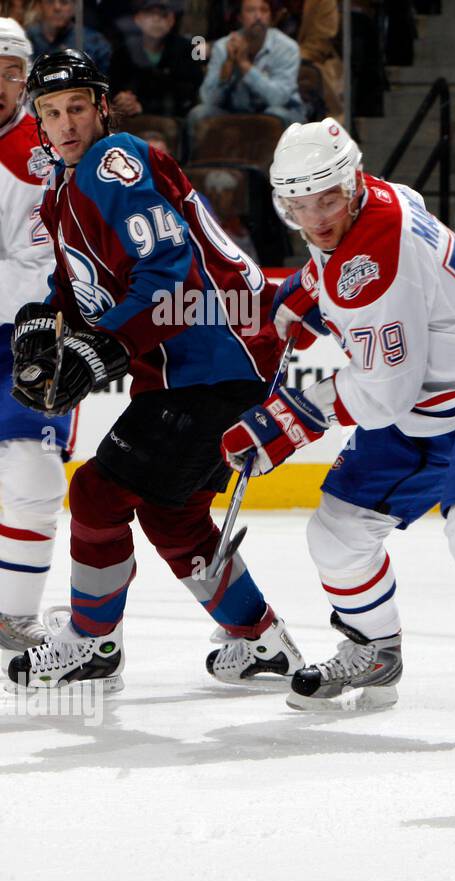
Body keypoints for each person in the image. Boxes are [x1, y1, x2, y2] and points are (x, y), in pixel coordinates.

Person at [220, 118, 455, 711]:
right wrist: (308, 288)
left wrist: (290, 419)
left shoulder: (368, 261)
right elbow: (366, 273)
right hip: (429, 401)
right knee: (338, 529)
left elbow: (382, 394)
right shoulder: (378, 196)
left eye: (327, 200)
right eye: (300, 206)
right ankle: (374, 650)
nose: (317, 218)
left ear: (350, 185)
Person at [6, 49, 300, 693]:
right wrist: (45, 316)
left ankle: (91, 642)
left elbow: (168, 274)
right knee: (175, 517)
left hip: (217, 358)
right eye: (51, 113)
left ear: (102, 107)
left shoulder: (117, 164)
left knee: (97, 494)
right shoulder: (64, 190)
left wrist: (100, 346)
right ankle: (263, 642)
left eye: (77, 107)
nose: (65, 124)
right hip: (205, 365)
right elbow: (85, 286)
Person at [0, 18, 60, 658]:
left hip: (30, 340)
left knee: (33, 473)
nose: (0, 82)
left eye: (12, 70)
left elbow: (33, 273)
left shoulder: (41, 154)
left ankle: (12, 616)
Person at [186, 0, 305, 141]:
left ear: (270, 16)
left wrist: (244, 65)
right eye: (251, 10)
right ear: (240, 17)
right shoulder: (223, 46)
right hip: (234, 110)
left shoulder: (287, 48)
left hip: (282, 110)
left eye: (264, 10)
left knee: (273, 115)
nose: (258, 16)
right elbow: (207, 99)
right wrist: (228, 66)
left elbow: (278, 99)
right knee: (199, 114)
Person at [108, 0, 204, 120]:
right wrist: (122, 99)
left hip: (174, 118)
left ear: (171, 21)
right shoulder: (122, 52)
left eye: (162, 15)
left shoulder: (186, 50)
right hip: (129, 117)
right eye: (149, 14)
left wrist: (143, 106)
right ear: (137, 19)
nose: (156, 19)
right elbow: (114, 87)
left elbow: (188, 93)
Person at [25, 0, 112, 74]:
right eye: (50, 1)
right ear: (39, 6)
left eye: (64, 2)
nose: (57, 7)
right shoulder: (26, 38)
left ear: (75, 7)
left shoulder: (95, 42)